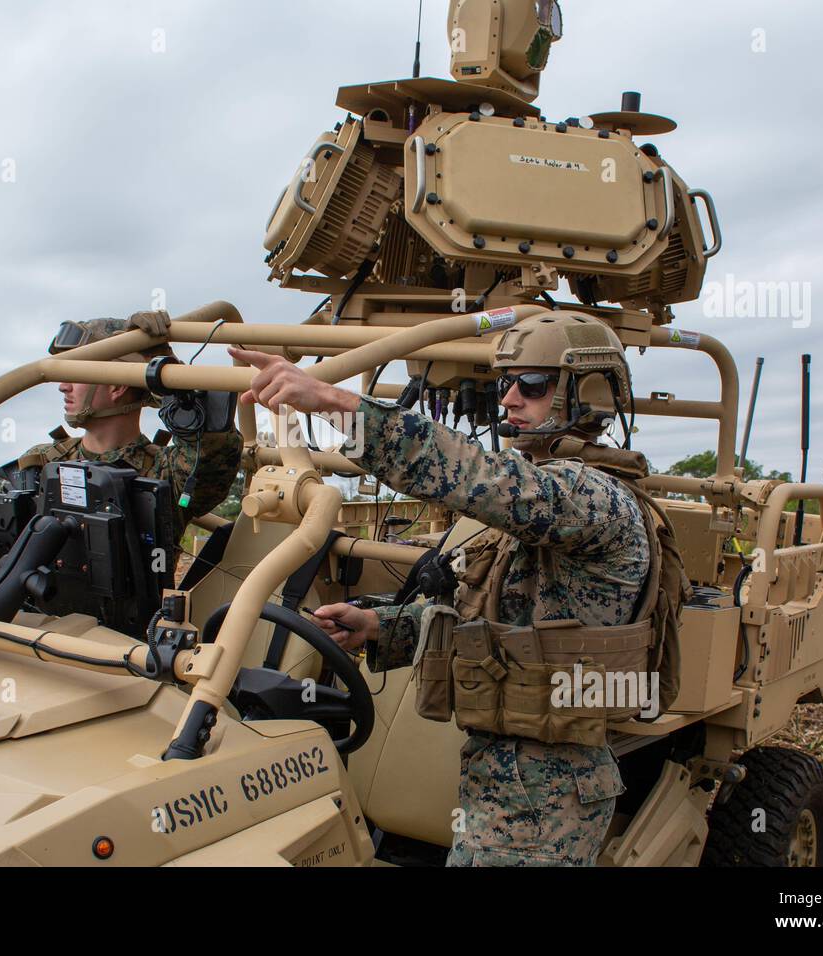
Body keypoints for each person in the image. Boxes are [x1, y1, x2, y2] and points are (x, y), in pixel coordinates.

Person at [227, 312, 659, 866]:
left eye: (531, 385)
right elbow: (497, 622)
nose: (508, 400)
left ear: (589, 392)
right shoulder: (540, 500)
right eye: (504, 383)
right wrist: (382, 624)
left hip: (547, 798)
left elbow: (475, 476)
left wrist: (335, 403)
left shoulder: (593, 499)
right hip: (505, 778)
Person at [1, 309, 243, 565]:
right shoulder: (41, 463)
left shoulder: (167, 474)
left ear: (117, 384)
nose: (62, 385)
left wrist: (161, 363)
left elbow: (212, 448)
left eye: (75, 374)